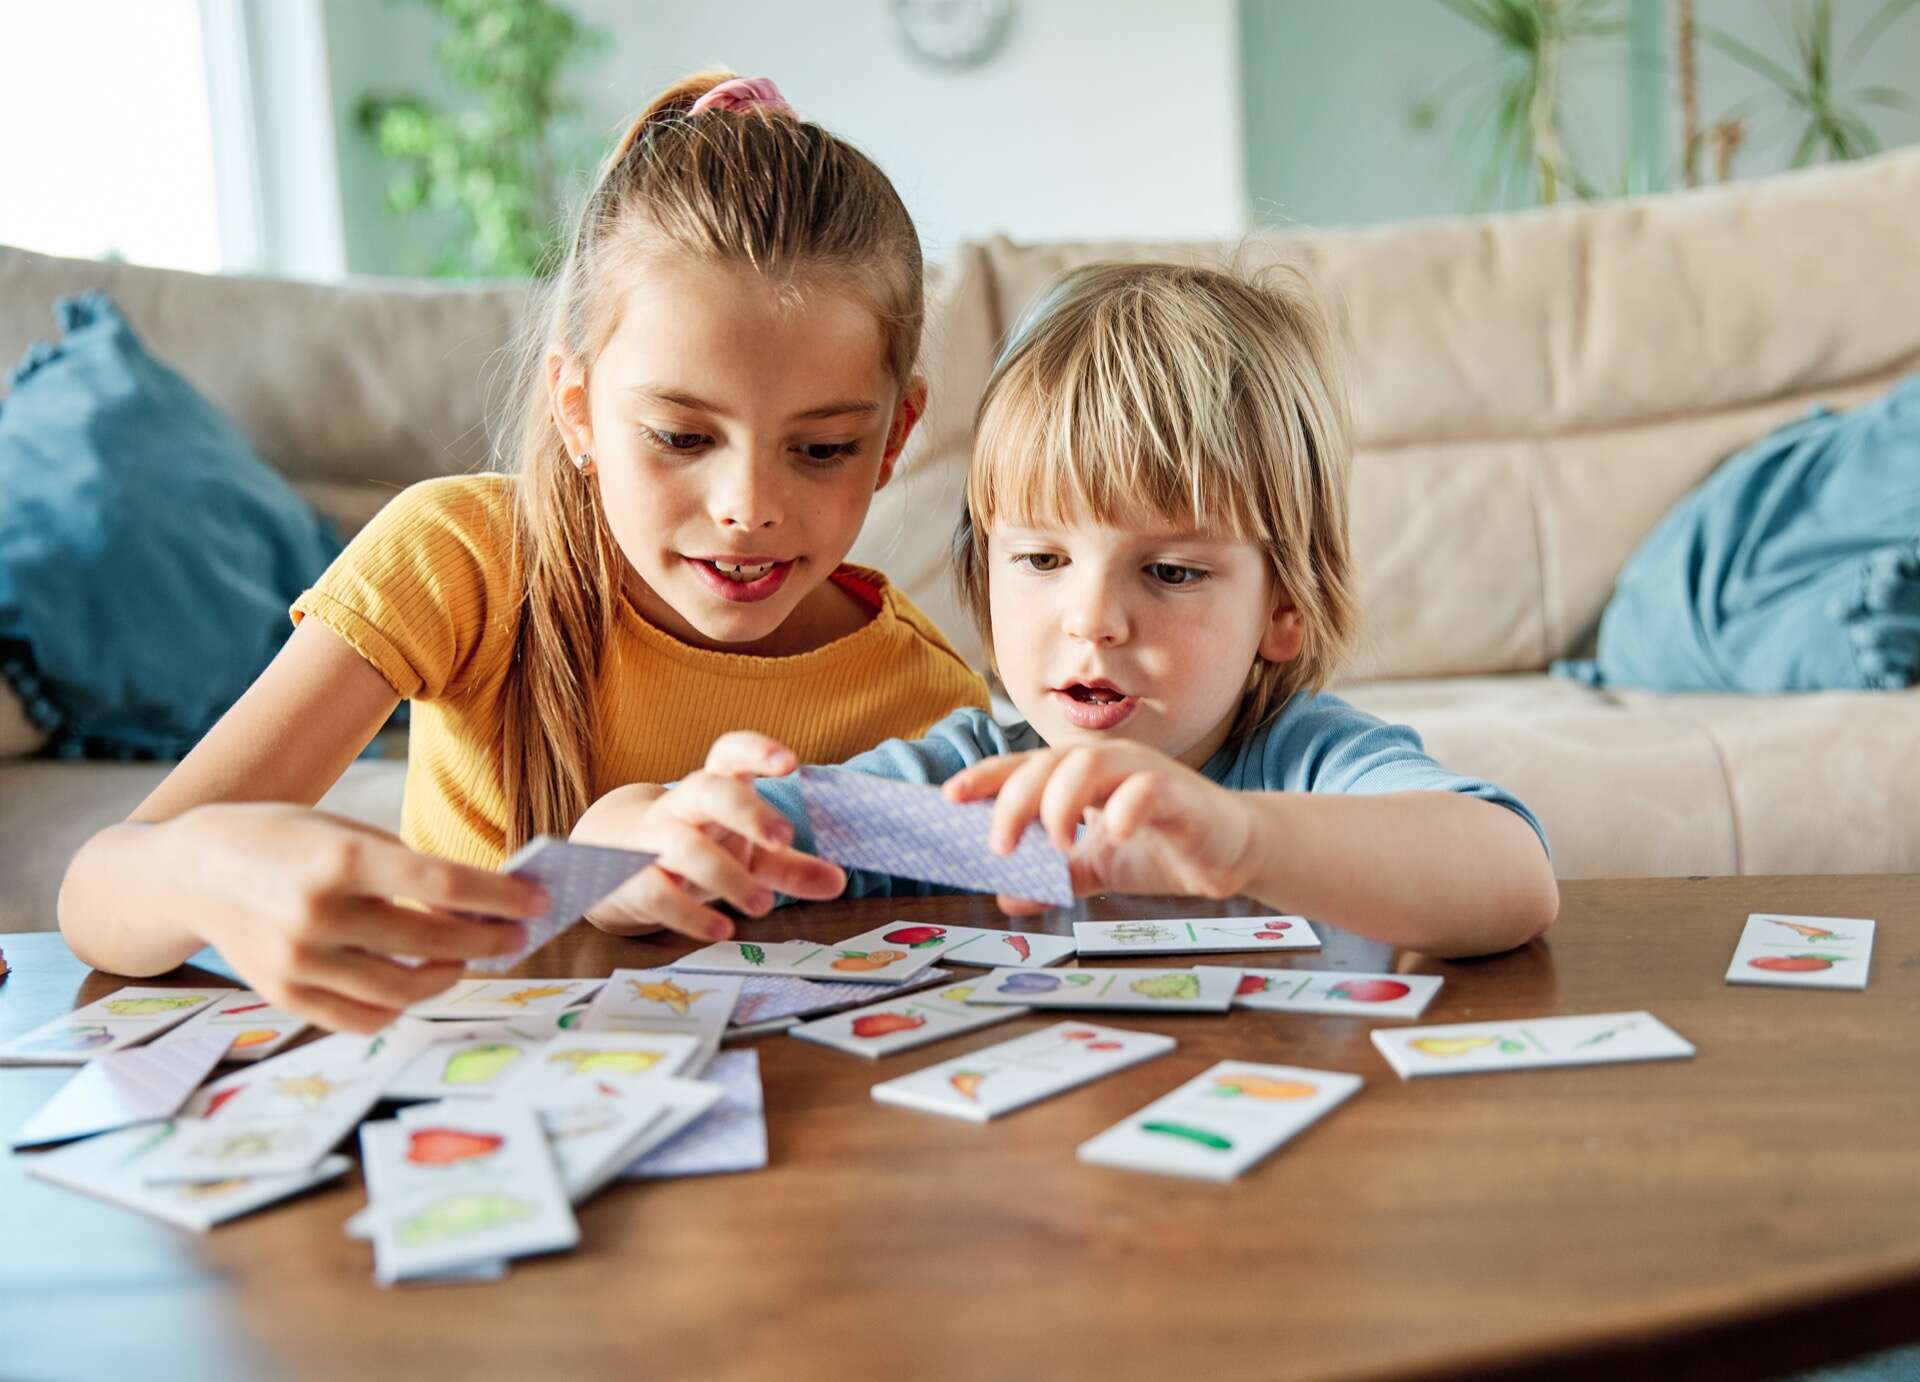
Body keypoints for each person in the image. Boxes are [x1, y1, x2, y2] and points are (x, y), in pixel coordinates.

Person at [58, 72, 987, 1030]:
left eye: (823, 448)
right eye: (681, 437)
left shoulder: (929, 704)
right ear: (578, 410)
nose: (749, 508)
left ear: (896, 439)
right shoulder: (459, 560)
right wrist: (211, 872)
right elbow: (97, 898)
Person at [609, 260, 1558, 958]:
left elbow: (1514, 878)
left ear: (1285, 606)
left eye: (1173, 572)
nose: (1092, 619)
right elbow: (653, 846)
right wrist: (652, 838)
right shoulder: (969, 791)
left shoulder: (1305, 763)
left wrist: (1242, 841)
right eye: (1042, 558)